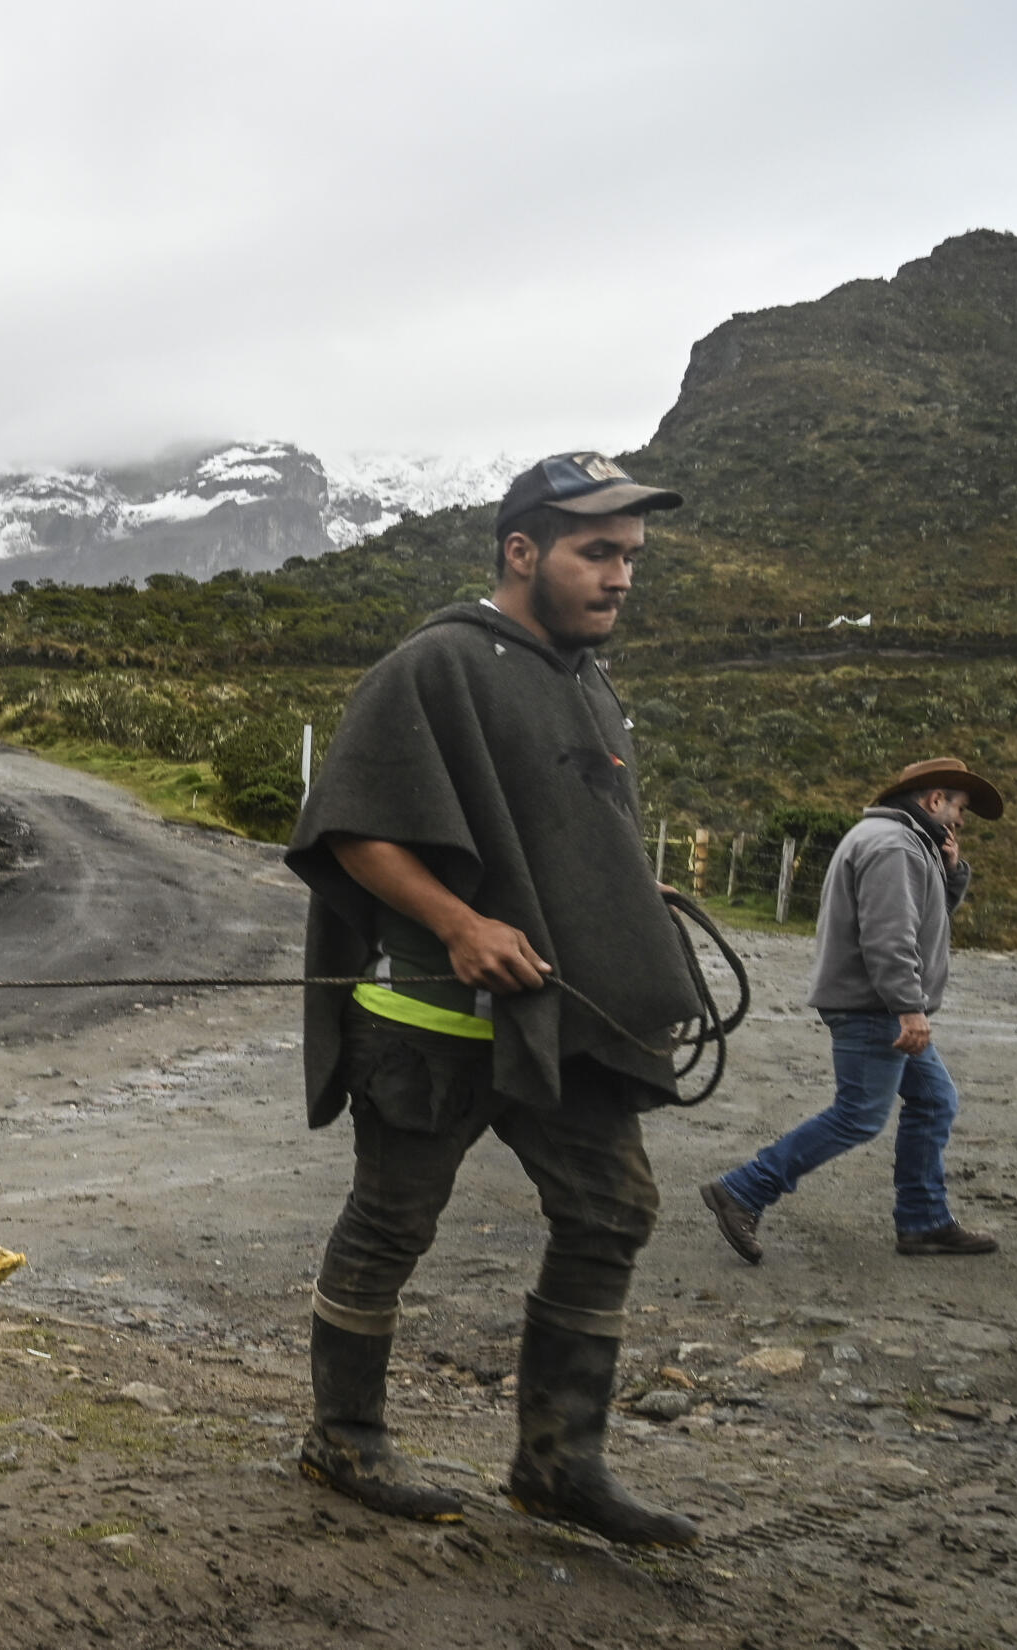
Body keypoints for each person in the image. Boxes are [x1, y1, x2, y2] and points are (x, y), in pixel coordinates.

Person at [283, 452, 707, 1546]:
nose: (618, 578)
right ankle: (343, 1438)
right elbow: (351, 829)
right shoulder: (436, 665)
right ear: (520, 551)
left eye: (628, 558)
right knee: (389, 1223)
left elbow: (553, 828)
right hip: (428, 1023)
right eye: (595, 553)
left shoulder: (580, 674)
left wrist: (617, 890)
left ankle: (558, 1464)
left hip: (556, 1019)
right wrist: (460, 924)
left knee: (611, 1210)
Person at [702, 759, 1005, 1263]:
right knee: (859, 1116)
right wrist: (910, 1009)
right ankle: (744, 1190)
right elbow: (889, 940)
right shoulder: (893, 847)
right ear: (933, 801)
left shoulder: (906, 844)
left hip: (878, 1003)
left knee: (934, 1100)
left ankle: (924, 1221)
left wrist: (952, 874)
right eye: (959, 806)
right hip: (875, 1006)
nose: (961, 819)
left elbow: (925, 922)